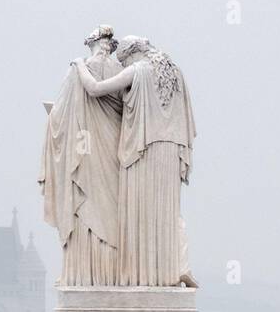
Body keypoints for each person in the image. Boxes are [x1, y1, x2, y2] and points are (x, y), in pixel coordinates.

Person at [74, 35, 196, 287]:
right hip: (171, 150)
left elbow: (95, 89)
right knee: (169, 211)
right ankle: (179, 266)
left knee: (139, 211)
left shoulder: (138, 70)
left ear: (131, 54)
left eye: (124, 61)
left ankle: (140, 275)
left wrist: (79, 65)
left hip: (144, 148)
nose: (124, 65)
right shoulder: (176, 73)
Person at [40, 24, 123, 285]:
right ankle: (111, 271)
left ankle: (84, 273)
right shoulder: (122, 71)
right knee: (108, 203)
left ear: (93, 44)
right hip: (112, 142)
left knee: (85, 198)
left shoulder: (79, 68)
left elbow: (60, 113)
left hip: (84, 146)